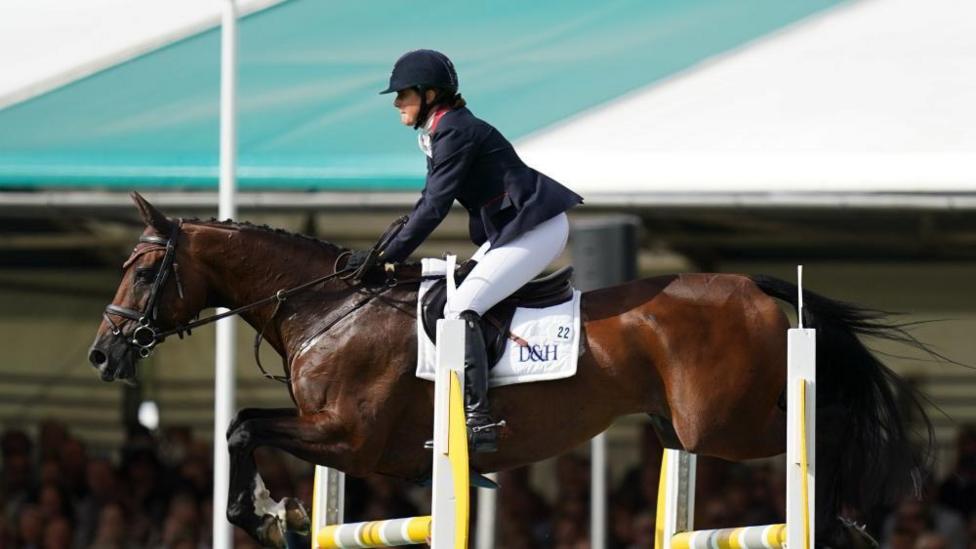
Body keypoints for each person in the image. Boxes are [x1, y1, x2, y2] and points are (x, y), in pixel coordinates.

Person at [347, 49, 583, 452]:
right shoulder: (441, 130)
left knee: (460, 309)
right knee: (453, 292)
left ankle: (478, 419)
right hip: (513, 228)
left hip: (535, 227)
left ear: (430, 93)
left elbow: (434, 208)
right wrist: (379, 253)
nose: (396, 102)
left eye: (403, 93)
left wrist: (388, 258)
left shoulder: (454, 131)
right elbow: (426, 202)